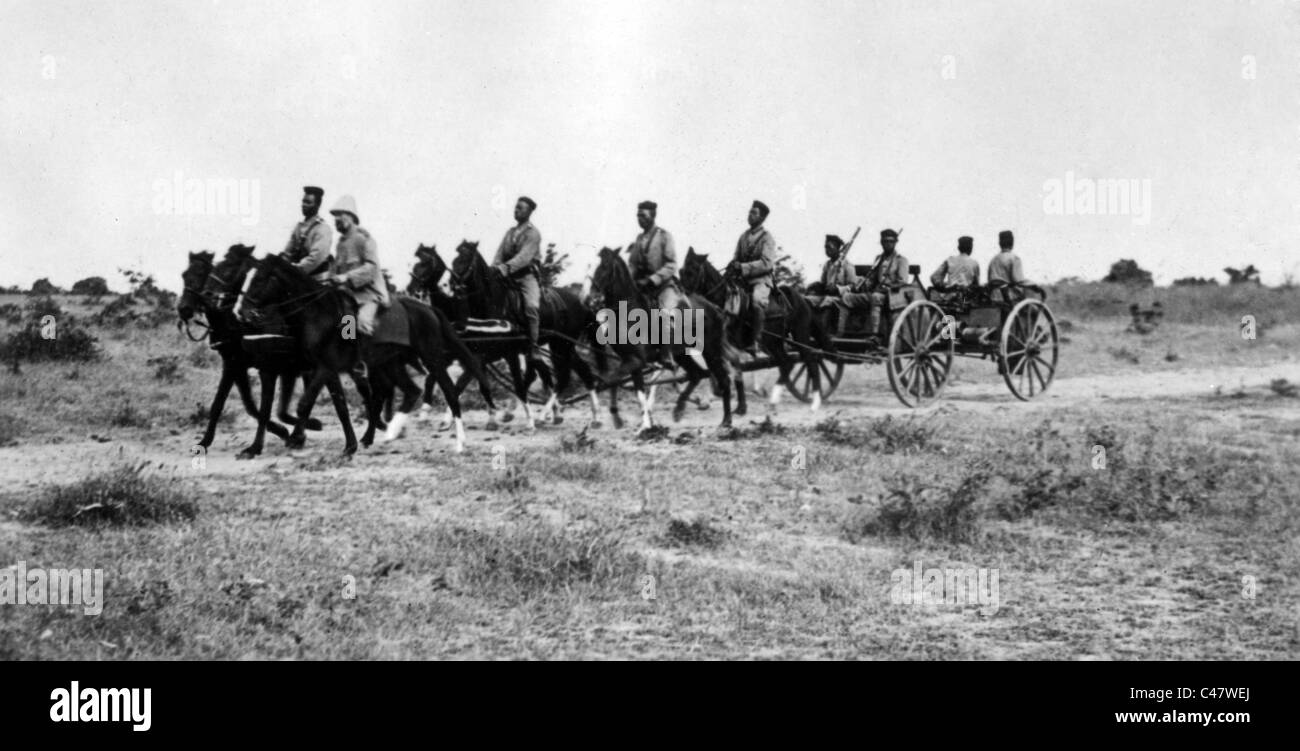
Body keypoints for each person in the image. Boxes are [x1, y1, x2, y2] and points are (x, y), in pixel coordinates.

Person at [327, 196, 389, 370]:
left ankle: (361, 362)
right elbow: (336, 270)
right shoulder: (340, 243)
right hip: (347, 295)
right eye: (335, 217)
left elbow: (372, 267)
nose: (336, 220)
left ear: (351, 217)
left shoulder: (364, 239)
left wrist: (346, 277)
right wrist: (331, 277)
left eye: (340, 216)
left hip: (369, 295)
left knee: (361, 322)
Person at [627, 200, 680, 367]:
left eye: (643, 215)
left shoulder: (665, 236)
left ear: (653, 216)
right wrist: (628, 281)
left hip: (664, 287)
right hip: (643, 288)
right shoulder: (639, 239)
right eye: (637, 215)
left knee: (664, 314)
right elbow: (632, 264)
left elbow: (671, 265)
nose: (639, 219)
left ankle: (666, 355)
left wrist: (652, 279)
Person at [834, 228, 910, 344]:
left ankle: (875, 336)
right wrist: (863, 284)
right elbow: (872, 279)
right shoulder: (878, 259)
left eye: (890, 241)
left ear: (895, 243)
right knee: (846, 297)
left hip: (893, 297)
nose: (887, 244)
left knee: (875, 296)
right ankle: (840, 333)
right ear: (881, 243)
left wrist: (886, 288)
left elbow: (902, 281)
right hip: (876, 293)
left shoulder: (901, 260)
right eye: (884, 241)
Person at [492, 196, 543, 362]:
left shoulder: (533, 233)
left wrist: (505, 268)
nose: (516, 210)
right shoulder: (510, 233)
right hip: (507, 277)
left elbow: (524, 257)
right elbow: (499, 254)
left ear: (529, 212)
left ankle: (534, 347)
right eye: (515, 207)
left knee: (532, 306)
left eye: (520, 208)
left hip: (526, 277)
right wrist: (493, 269)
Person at [728, 200, 777, 354]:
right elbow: (736, 256)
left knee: (756, 301)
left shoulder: (767, 238)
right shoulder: (743, 236)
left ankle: (756, 341)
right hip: (742, 281)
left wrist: (742, 267)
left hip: (761, 281)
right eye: (749, 212)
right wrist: (734, 264)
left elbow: (767, 263)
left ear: (762, 218)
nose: (750, 215)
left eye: (754, 213)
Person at [281, 185, 333, 278]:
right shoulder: (298, 227)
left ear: (317, 205)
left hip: (314, 279)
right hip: (296, 275)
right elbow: (287, 253)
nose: (303, 205)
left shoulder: (323, 229)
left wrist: (295, 269)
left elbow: (315, 259)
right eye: (303, 201)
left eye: (308, 202)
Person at [805, 234, 857, 308]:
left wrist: (838, 289)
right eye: (825, 247)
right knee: (807, 300)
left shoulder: (847, 265)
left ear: (837, 248)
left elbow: (853, 286)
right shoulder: (827, 265)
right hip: (826, 296)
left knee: (826, 303)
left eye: (829, 247)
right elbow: (823, 283)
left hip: (841, 299)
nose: (826, 250)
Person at [986, 230, 1028, 303]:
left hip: (993, 297)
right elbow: (1019, 281)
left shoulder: (993, 260)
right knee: (1034, 311)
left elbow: (990, 280)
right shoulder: (1014, 259)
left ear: (1000, 244)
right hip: (1010, 298)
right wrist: (1034, 286)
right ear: (1012, 243)